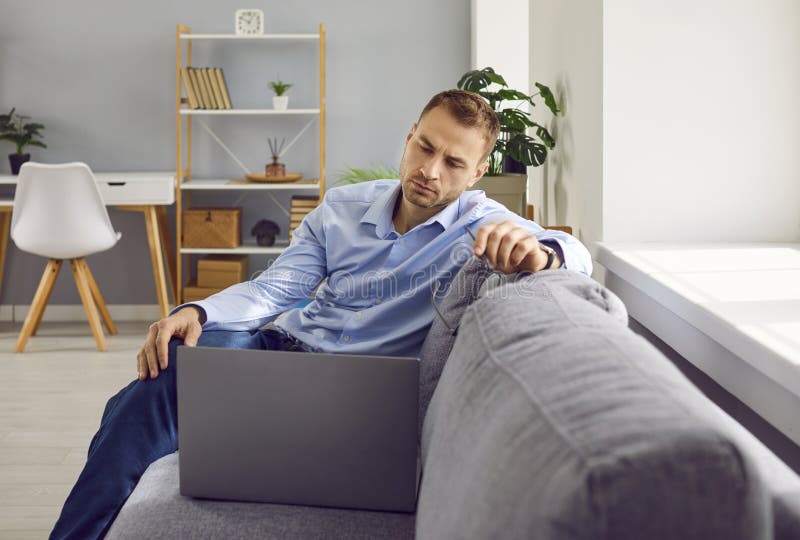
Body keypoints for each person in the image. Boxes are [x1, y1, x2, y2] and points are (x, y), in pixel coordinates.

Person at [50, 89, 592, 539]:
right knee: (162, 373)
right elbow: (276, 289)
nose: (430, 171)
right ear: (408, 138)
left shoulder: (483, 223)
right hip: (280, 348)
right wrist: (197, 309)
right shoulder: (343, 207)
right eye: (424, 147)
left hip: (358, 391)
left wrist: (541, 254)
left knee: (138, 405)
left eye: (453, 163)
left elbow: (576, 259)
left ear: (476, 174)